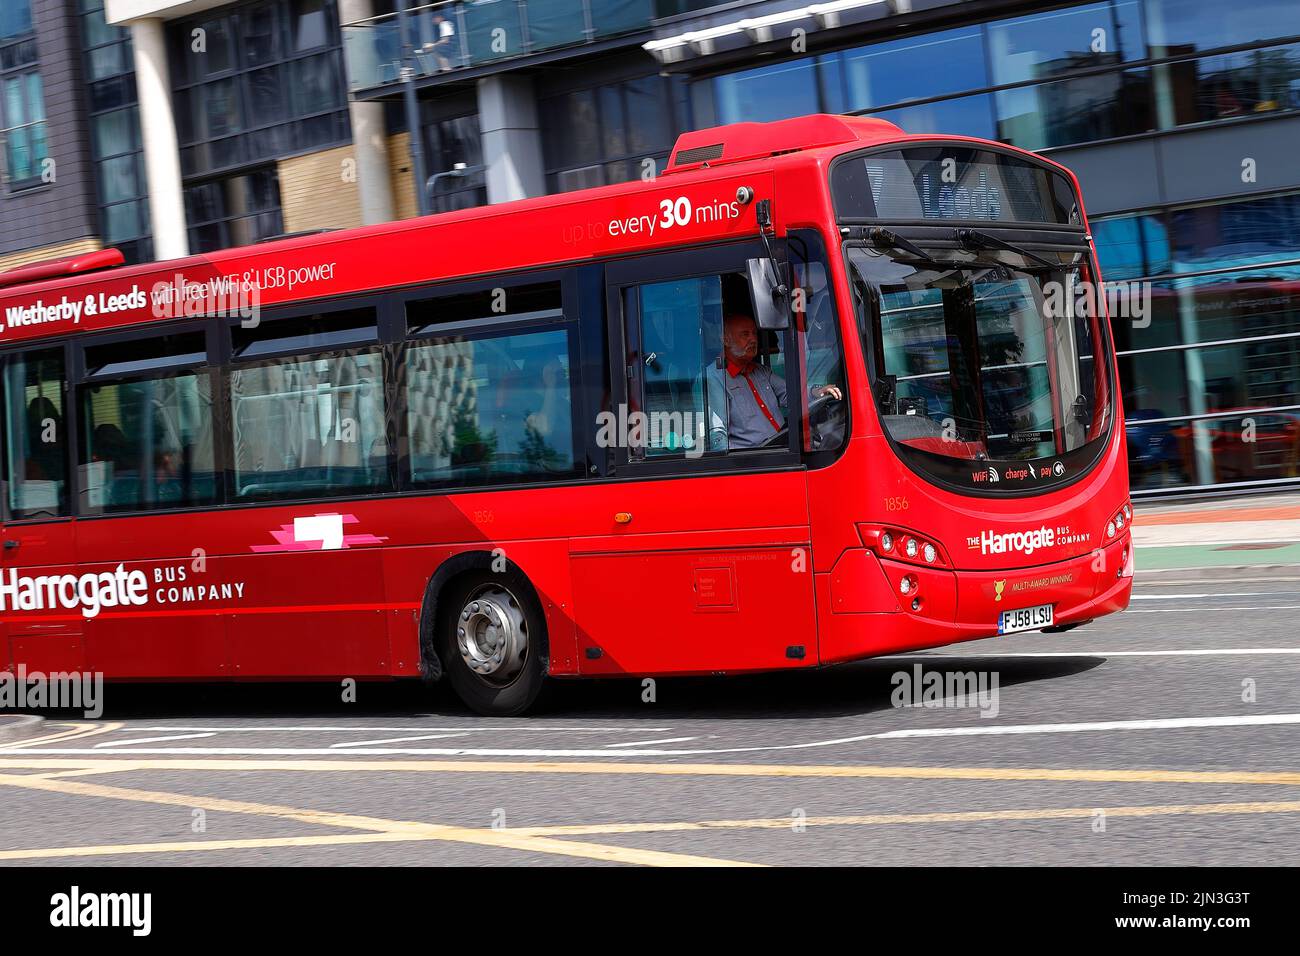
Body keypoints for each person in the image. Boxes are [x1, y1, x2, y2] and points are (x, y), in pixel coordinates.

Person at [705, 312, 841, 450]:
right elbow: (717, 438)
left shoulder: (761, 371)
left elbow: (791, 395)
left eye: (754, 334)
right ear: (726, 340)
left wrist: (817, 391)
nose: (753, 339)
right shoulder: (713, 378)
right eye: (745, 334)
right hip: (758, 456)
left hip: (784, 445)